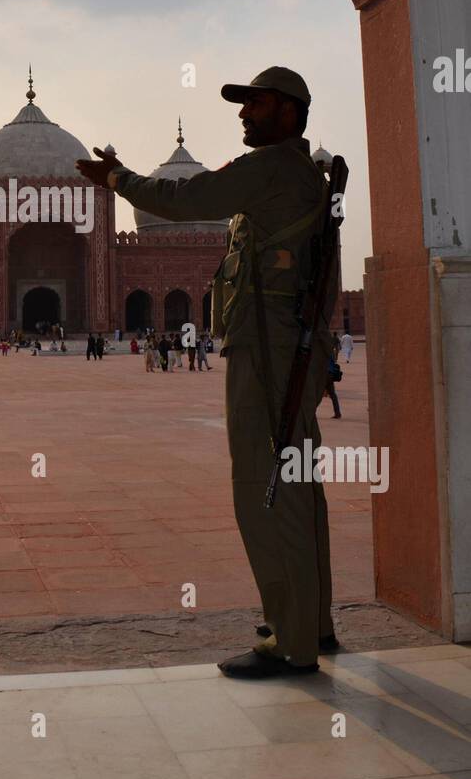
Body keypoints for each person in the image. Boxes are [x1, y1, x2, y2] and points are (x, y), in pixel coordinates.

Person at [78, 66, 338, 681]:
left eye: (258, 104)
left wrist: (114, 178)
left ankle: (291, 640)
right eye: (243, 104)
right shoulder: (300, 171)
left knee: (264, 486)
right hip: (284, 346)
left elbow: (185, 199)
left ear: (291, 113)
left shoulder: (273, 167)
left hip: (270, 352)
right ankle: (313, 622)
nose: (244, 113)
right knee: (297, 482)